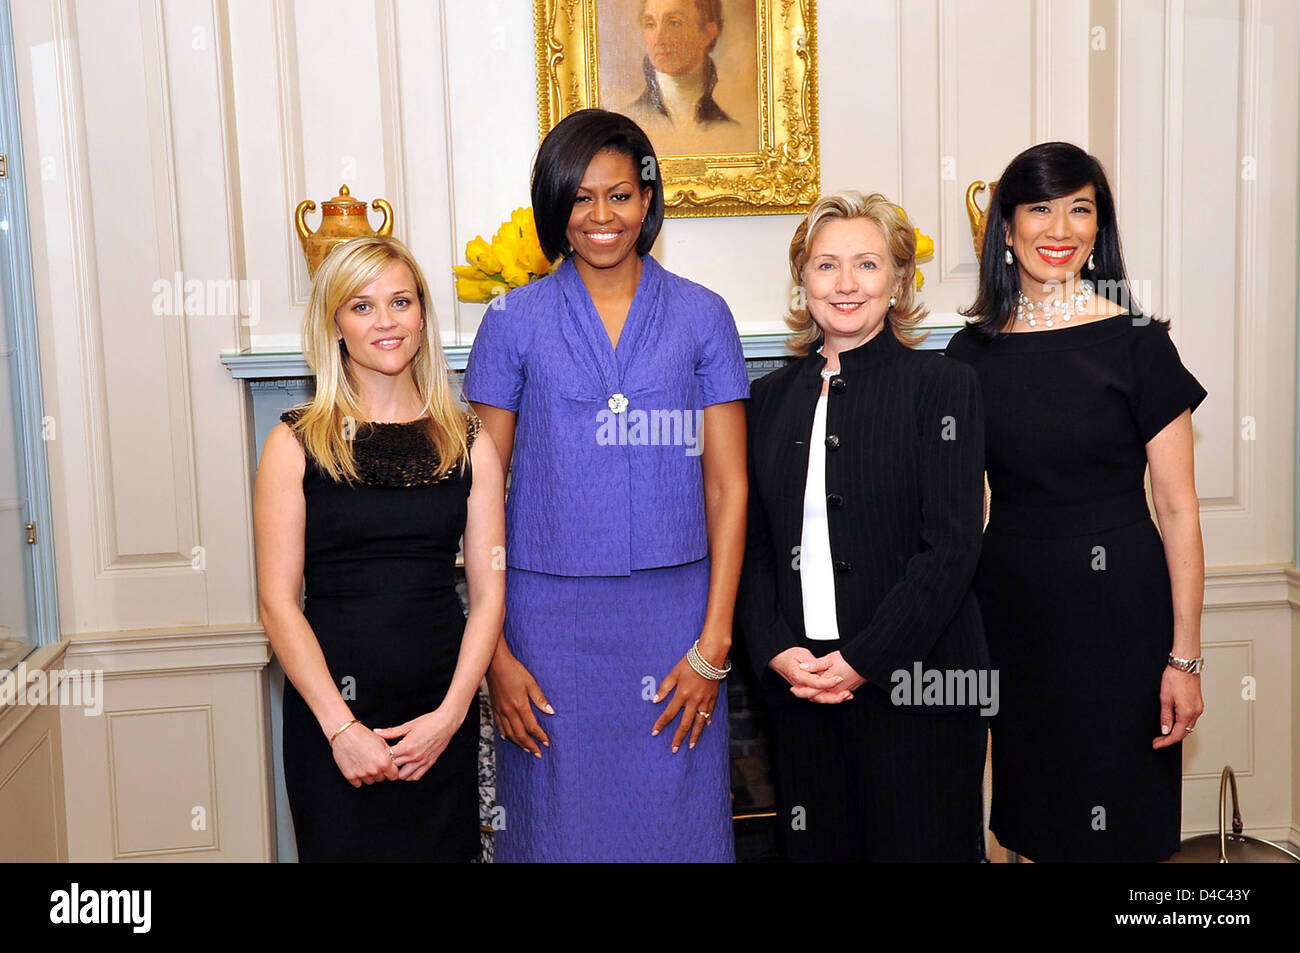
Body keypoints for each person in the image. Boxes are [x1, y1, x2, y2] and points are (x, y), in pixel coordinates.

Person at [463, 108, 748, 862]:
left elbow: (728, 487)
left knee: (677, 827)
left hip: (677, 622)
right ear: (554, 206)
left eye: (620, 195)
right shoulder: (510, 320)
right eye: (581, 197)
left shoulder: (704, 315)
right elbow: (480, 495)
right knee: (557, 831)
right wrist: (495, 654)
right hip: (545, 628)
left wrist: (714, 646)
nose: (602, 216)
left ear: (648, 200)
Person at [945, 141, 1207, 862]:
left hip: (1124, 616)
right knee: (1037, 824)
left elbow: (1179, 509)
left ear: (1100, 227)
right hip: (1012, 619)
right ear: (1005, 228)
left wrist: (1185, 658)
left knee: (1124, 827)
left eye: (1080, 209)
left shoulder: (1139, 345)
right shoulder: (967, 358)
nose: (1060, 228)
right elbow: (953, 512)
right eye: (1040, 208)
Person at [737, 191, 991, 862]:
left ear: (899, 282)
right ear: (803, 282)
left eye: (867, 264)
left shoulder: (944, 385)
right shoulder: (765, 400)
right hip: (800, 691)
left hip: (919, 689)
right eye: (826, 266)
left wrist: (861, 662)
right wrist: (775, 648)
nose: (845, 283)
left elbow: (952, 546)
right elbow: (752, 546)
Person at [254, 235, 505, 862]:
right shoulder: (294, 444)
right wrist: (341, 728)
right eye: (361, 306)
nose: (386, 321)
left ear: (421, 316)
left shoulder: (468, 442)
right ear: (335, 324)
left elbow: (490, 594)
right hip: (331, 722)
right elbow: (277, 604)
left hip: (439, 718)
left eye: (401, 301)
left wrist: (450, 718)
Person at [624, 0, 737, 131]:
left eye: (673, 23)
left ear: (708, 33)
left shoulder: (729, 129)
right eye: (650, 24)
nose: (658, 39)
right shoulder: (628, 123)